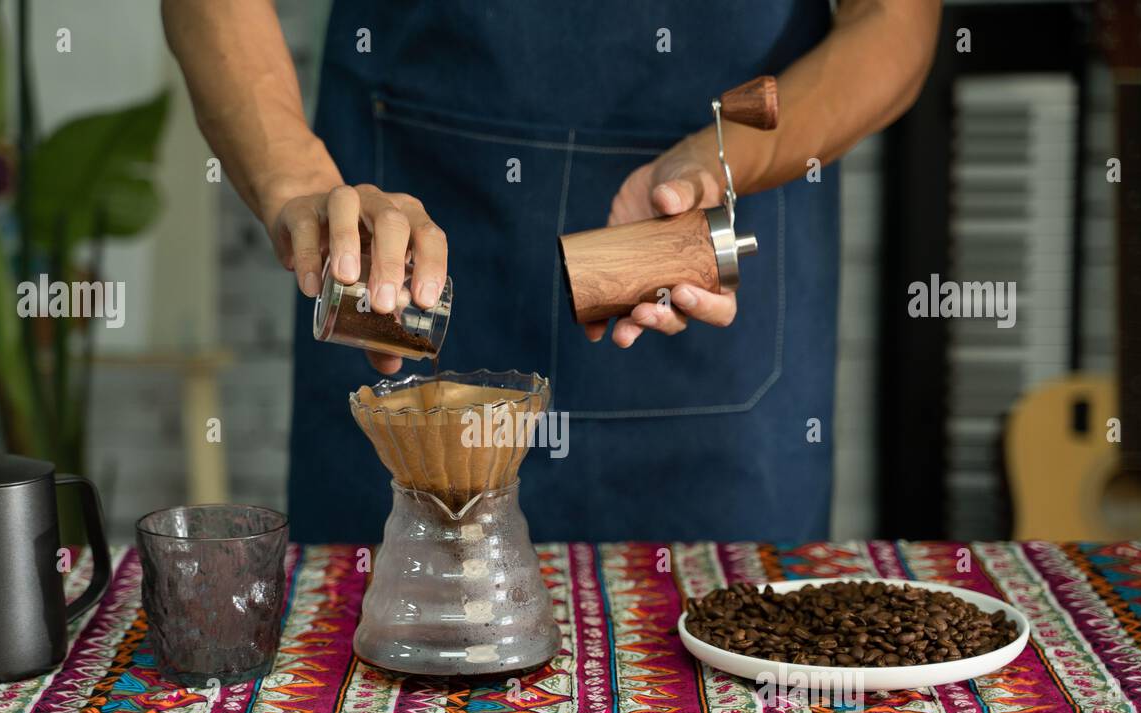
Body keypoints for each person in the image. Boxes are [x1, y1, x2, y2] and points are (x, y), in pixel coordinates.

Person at [163, 0, 940, 543]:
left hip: (713, 301)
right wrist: (300, 186)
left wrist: (724, 158)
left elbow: (895, 21)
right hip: (399, 241)